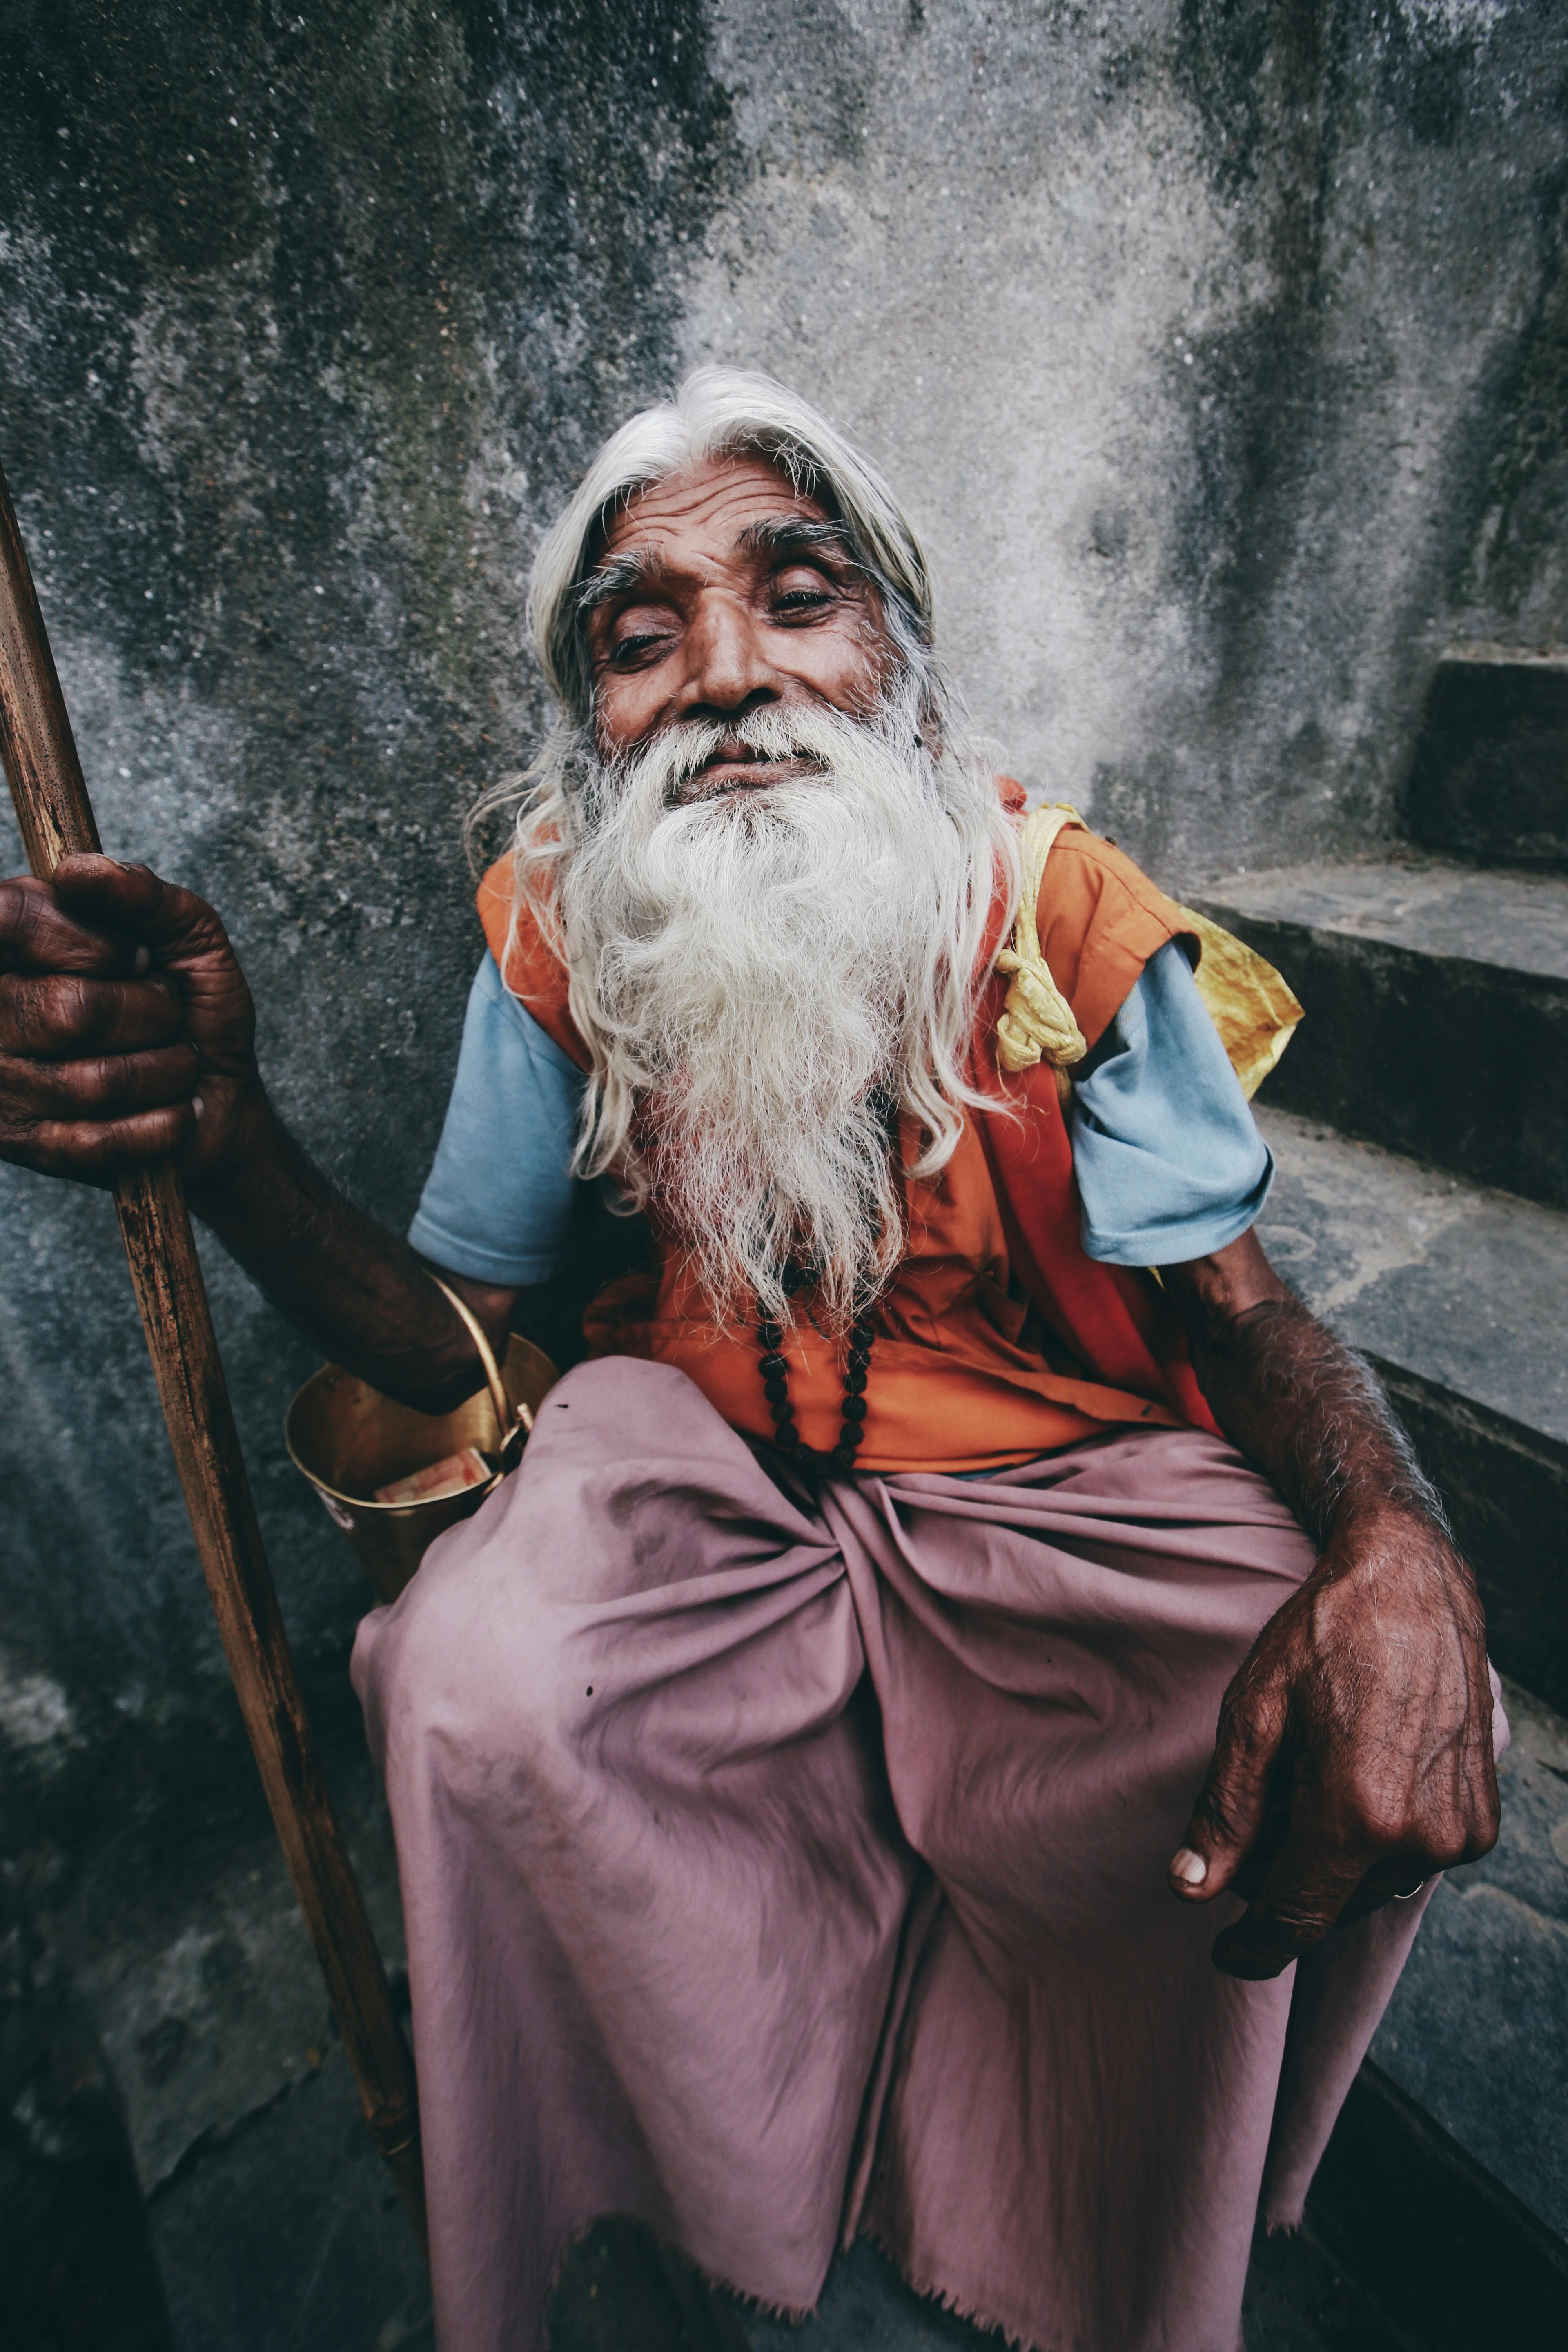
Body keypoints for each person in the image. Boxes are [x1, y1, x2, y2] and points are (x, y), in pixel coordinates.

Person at [0, 370, 1501, 2352]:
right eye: (644, 638)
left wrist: (1397, 1541)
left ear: (906, 673)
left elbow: (1237, 1304)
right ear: (594, 724)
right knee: (467, 1676)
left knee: (1300, 1669)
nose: (726, 676)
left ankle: (1080, 2199)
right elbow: (469, 1343)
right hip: (694, 1465)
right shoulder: (562, 925)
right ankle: (729, 2156)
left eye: (799, 601)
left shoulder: (1062, 911)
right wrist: (231, 1143)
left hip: (1038, 1473)